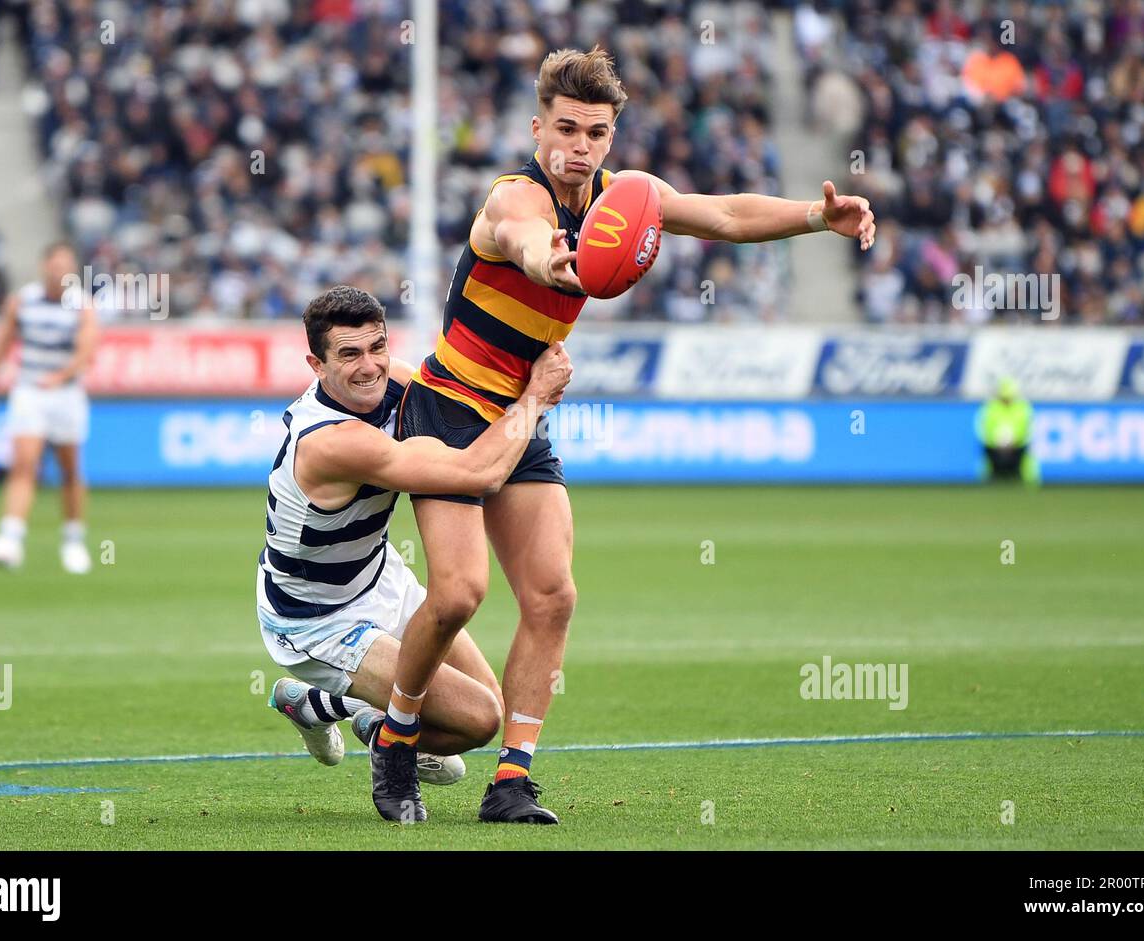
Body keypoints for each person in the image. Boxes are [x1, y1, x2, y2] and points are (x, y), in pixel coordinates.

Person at [374, 45, 878, 824]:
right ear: (538, 126)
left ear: (612, 137)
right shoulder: (514, 198)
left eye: (596, 133)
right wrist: (555, 264)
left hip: (524, 410)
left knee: (552, 595)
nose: (579, 146)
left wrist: (816, 217)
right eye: (566, 128)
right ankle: (397, 735)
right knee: (459, 591)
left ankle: (512, 779)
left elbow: (725, 214)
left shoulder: (621, 199)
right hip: (447, 407)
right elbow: (525, 242)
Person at [257, 286, 572, 800]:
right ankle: (353, 713)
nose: (369, 367)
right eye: (349, 355)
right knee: (475, 722)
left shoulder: (396, 381)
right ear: (316, 363)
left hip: (379, 577)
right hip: (315, 616)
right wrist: (535, 397)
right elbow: (479, 473)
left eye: (377, 347)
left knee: (484, 706)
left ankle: (323, 706)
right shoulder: (333, 441)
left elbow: (468, 403)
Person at [0, 242, 97, 574]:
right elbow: (1, 343)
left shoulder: (81, 306)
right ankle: (10, 539)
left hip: (67, 394)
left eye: (66, 265)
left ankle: (73, 540)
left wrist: (59, 377)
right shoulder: (23, 301)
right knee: (24, 464)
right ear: (44, 266)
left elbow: (86, 352)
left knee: (70, 469)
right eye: (55, 265)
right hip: (29, 391)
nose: (60, 271)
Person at [976, 376, 1040, 486]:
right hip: (994, 446)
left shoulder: (1023, 407)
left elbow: (1029, 429)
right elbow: (984, 429)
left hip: (1018, 445)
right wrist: (995, 442)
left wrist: (1016, 440)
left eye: (1009, 398)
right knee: (987, 454)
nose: (1007, 401)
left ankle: (1027, 482)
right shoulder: (991, 407)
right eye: (1004, 398)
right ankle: (989, 480)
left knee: (1027, 455)